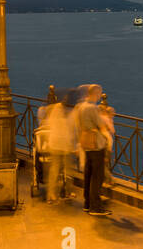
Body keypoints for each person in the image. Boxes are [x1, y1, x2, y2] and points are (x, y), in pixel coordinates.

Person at [75, 84, 114, 215]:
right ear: (95, 94)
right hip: (96, 144)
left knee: (88, 174)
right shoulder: (93, 108)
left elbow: (78, 124)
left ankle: (87, 203)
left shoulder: (80, 107)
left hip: (85, 142)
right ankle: (96, 207)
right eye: (99, 94)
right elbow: (101, 126)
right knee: (97, 177)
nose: (99, 96)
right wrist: (109, 140)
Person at [38, 90, 75, 202]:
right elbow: (72, 128)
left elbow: (47, 124)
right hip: (63, 144)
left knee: (56, 169)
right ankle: (66, 192)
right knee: (67, 169)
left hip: (56, 143)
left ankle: (52, 194)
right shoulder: (68, 111)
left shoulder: (52, 109)